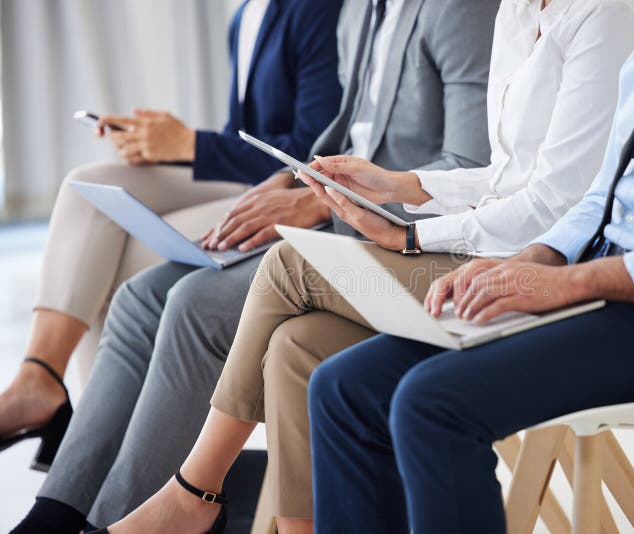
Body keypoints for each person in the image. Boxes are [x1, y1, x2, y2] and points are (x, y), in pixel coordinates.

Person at [100, 0, 634, 533]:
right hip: (493, 245)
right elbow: (504, 177)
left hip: (548, 272)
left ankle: (193, 494)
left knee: (289, 266)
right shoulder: (519, 8)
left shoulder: (604, 14)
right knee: (296, 347)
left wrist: (413, 235)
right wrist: (404, 186)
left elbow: (558, 206)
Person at [307, 0, 634, 532]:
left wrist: (570, 282)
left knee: (431, 404)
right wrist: (526, 264)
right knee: (344, 388)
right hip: (609, 287)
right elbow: (598, 199)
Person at [10, 0, 498, 532]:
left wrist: (319, 201)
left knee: (194, 305)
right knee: (140, 297)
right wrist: (291, 182)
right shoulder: (362, 10)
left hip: (415, 242)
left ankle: (123, 519)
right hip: (339, 219)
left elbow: (472, 171)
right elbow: (341, 141)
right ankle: (58, 512)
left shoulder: (459, 10)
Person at [0, 0, 343, 470]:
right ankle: (38, 378)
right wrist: (162, 145)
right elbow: (240, 135)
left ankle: (104, 456)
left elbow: (312, 151)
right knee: (89, 187)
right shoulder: (244, 16)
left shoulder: (316, 10)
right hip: (247, 175)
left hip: (293, 189)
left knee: (124, 256)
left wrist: (189, 146)